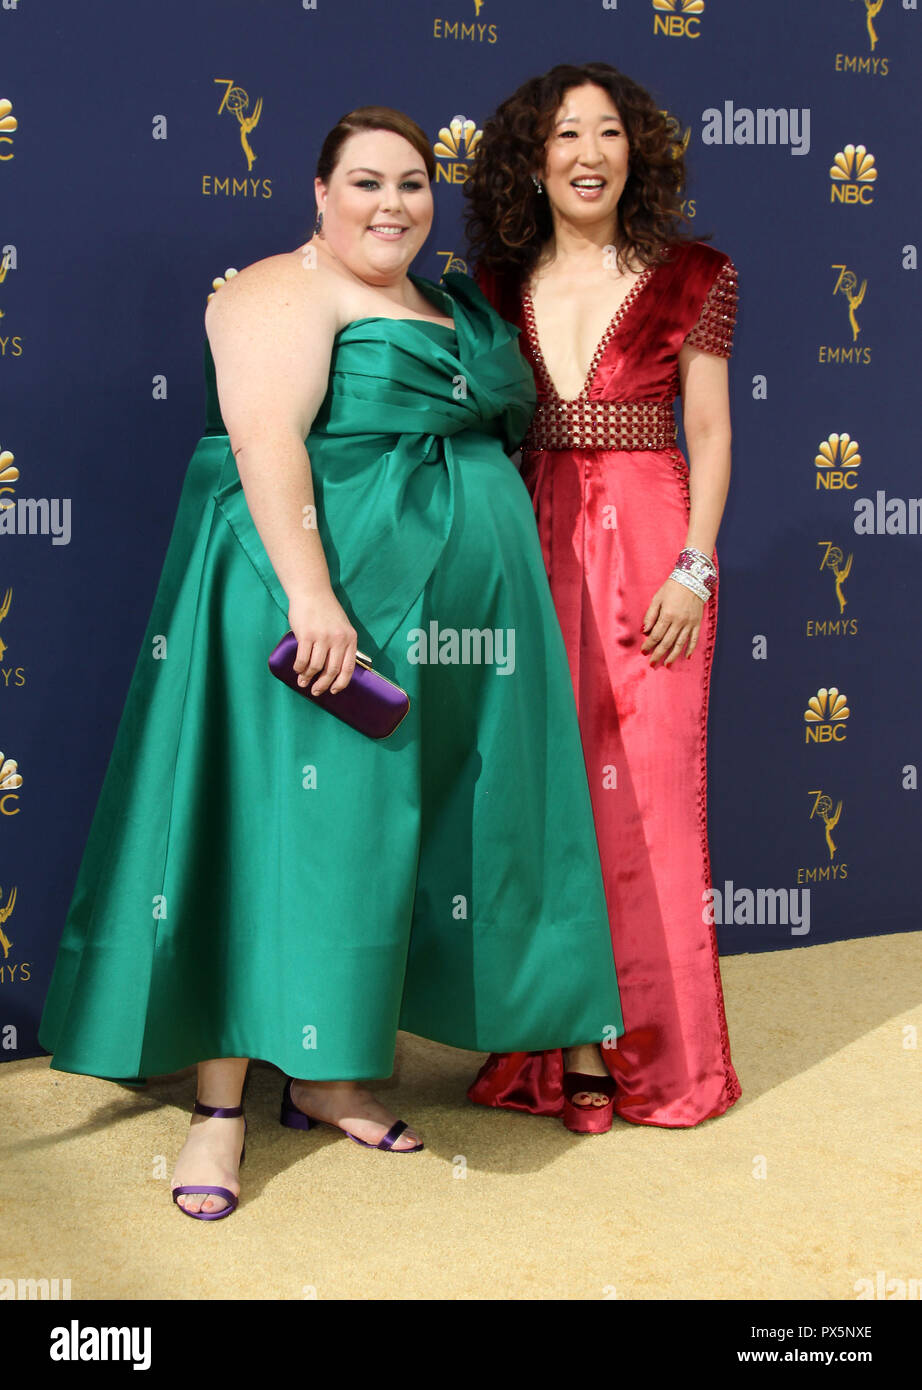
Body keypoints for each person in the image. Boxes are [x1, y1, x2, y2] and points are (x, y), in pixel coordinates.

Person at [38, 106, 624, 1219]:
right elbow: (261, 439)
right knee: (278, 835)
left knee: (374, 839)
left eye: (411, 184)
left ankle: (325, 1072)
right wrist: (315, 597)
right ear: (318, 192)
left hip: (444, 622)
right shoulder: (278, 288)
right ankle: (220, 1109)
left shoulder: (438, 301)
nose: (392, 205)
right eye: (364, 183)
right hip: (323, 608)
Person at [463, 64, 742, 1127]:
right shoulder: (492, 286)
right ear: (533, 161)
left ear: (639, 153)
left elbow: (708, 431)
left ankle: (662, 1057)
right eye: (564, 134)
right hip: (531, 540)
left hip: (656, 547)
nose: (587, 153)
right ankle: (564, 1045)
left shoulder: (695, 274)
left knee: (654, 803)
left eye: (609, 133)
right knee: (546, 803)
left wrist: (694, 564)